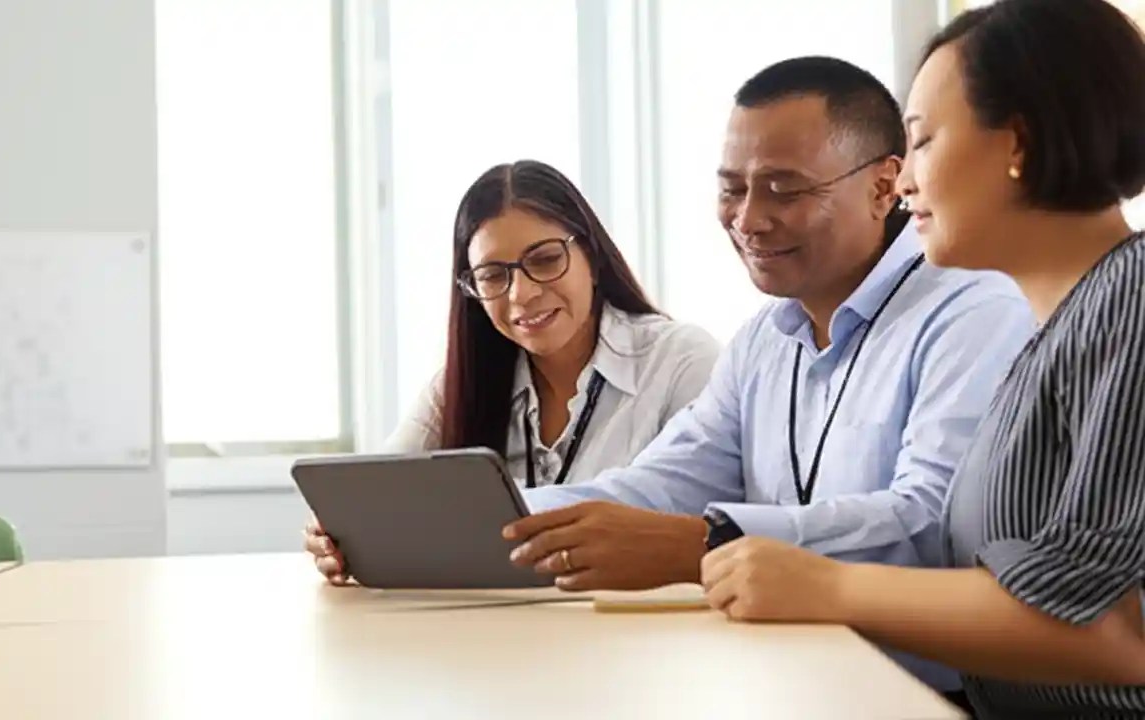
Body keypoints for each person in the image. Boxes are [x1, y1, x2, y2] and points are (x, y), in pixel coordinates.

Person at [502, 57, 1035, 693]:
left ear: (883, 185)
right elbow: (655, 487)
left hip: (925, 699)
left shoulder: (973, 307)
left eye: (784, 189)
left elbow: (931, 525)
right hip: (788, 683)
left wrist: (709, 544)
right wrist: (455, 529)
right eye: (732, 188)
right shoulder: (764, 339)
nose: (749, 219)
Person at [699, 1, 1145, 716]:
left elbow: (1111, 624)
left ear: (1017, 143)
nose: (903, 183)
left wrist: (823, 585)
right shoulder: (1057, 328)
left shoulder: (1130, 295)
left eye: (924, 142)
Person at [305, 159, 720, 584]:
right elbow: (371, 492)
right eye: (493, 276)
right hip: (498, 632)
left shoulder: (680, 360)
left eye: (544, 260)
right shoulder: (464, 381)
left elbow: (698, 521)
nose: (522, 294)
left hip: (637, 632)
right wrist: (338, 535)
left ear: (591, 259)